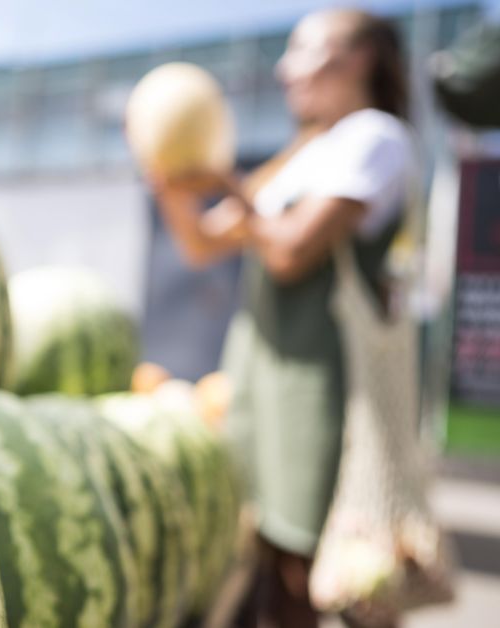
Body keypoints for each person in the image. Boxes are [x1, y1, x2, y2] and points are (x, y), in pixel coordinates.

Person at [149, 9, 417, 628]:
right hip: (262, 378)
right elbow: (201, 244)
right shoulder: (308, 148)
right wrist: (167, 178)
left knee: (312, 567)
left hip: (317, 386)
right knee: (267, 560)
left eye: (302, 50)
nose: (283, 67)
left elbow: (293, 251)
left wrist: (232, 187)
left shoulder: (375, 137)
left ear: (355, 61)